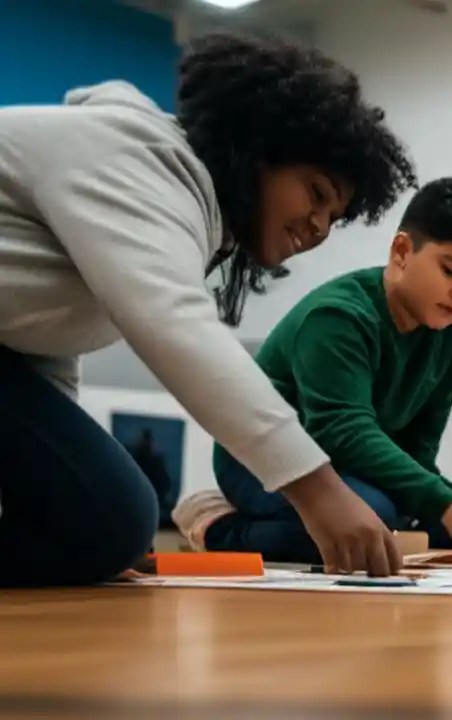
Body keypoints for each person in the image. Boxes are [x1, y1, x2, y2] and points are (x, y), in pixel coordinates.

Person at [0, 33, 417, 587]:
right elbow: (177, 326)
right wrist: (318, 490)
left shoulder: (169, 197)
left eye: (334, 217)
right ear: (256, 149)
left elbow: (41, 348)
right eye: (315, 192)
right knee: (116, 517)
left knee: (102, 521)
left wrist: (73, 514)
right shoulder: (141, 165)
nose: (318, 225)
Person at [173, 178, 452, 567]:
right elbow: (343, 431)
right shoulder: (338, 316)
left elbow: (418, 452)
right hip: (261, 462)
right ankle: (219, 525)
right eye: (451, 271)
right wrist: (446, 504)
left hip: (353, 469)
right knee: (375, 515)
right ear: (401, 251)